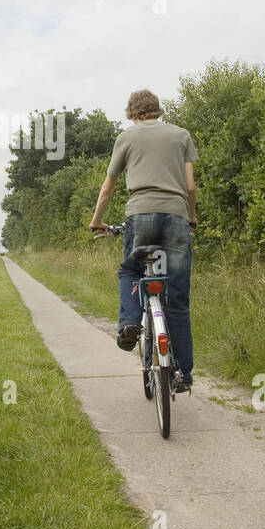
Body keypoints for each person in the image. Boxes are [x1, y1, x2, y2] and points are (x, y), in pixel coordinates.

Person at [90, 89, 198, 392]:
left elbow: (109, 186)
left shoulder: (127, 138)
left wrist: (97, 220)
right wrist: (190, 217)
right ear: (158, 111)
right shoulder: (181, 136)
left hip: (140, 215)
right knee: (177, 299)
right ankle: (183, 374)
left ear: (133, 114)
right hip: (176, 217)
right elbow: (190, 186)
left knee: (130, 270)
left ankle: (129, 323)